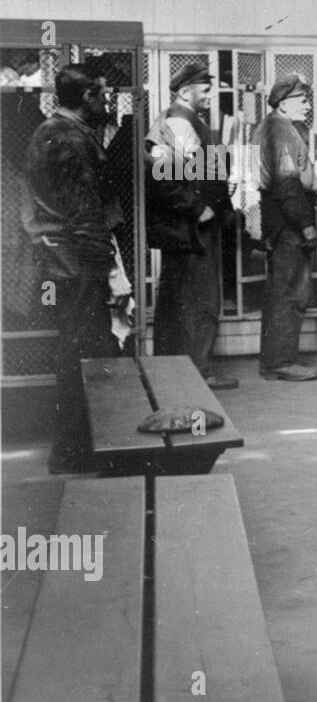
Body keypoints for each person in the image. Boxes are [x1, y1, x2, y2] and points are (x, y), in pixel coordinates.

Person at [21, 65, 125, 473]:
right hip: (78, 262)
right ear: (86, 97)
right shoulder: (70, 140)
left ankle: (75, 447)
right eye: (103, 94)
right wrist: (110, 276)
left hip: (60, 262)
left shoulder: (49, 132)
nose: (107, 102)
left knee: (74, 350)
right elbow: (85, 215)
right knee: (82, 352)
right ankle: (72, 451)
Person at [145, 64, 238, 389]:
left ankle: (177, 370)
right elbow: (163, 178)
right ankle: (198, 372)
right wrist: (199, 208)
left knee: (179, 298)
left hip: (188, 227)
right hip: (192, 228)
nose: (211, 94)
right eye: (206, 89)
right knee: (198, 300)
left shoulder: (182, 120)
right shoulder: (178, 122)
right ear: (185, 92)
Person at [254, 75, 317, 381]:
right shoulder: (282, 131)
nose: (308, 106)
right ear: (283, 104)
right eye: (302, 100)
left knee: (278, 290)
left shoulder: (268, 127)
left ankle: (273, 359)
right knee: (291, 291)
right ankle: (281, 361)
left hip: (275, 215)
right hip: (288, 219)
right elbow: (287, 183)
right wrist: (306, 224)